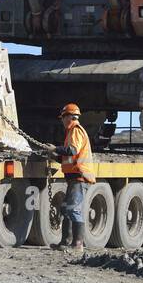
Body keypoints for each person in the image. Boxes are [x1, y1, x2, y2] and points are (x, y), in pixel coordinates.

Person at [53, 103, 94, 251]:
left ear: (69, 117)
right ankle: (65, 242)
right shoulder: (71, 132)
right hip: (74, 176)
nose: (62, 121)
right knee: (66, 208)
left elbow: (72, 150)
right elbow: (68, 158)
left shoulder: (75, 131)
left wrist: (55, 149)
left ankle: (77, 244)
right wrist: (55, 156)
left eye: (63, 118)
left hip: (79, 176)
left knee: (73, 209)